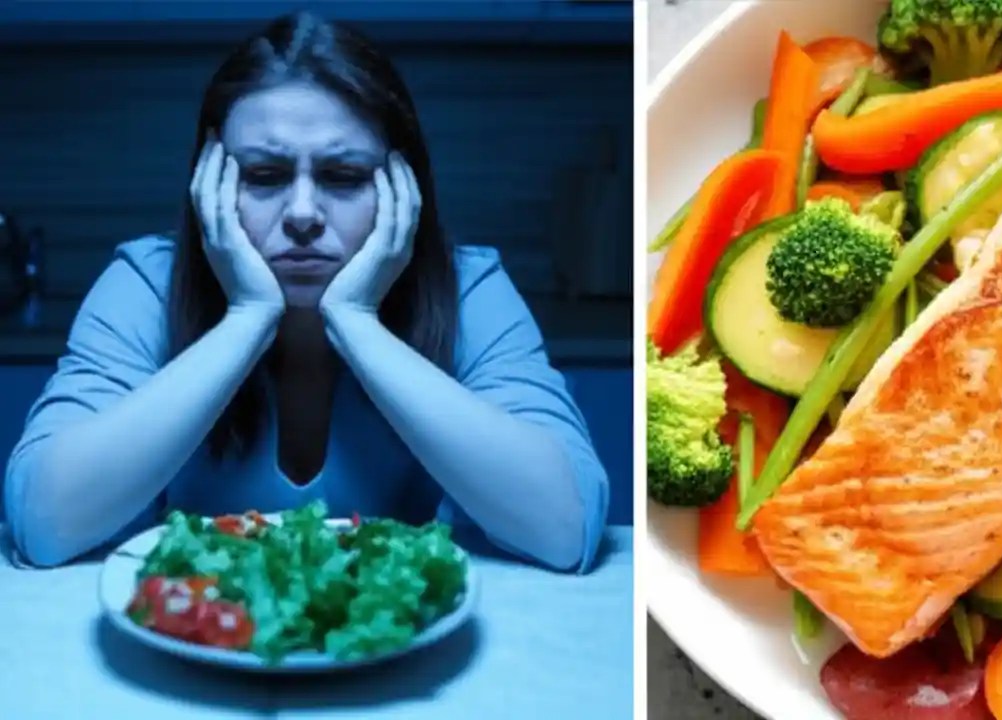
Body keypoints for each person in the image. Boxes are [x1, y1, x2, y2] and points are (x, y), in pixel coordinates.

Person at [1, 12, 608, 572]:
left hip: (396, 654)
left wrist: (356, 320)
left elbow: (565, 528)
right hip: (198, 647)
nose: (302, 213)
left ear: (403, 189)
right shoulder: (145, 285)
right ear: (209, 183)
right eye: (263, 176)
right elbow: (44, 524)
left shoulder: (469, 289)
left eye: (343, 177)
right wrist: (247, 316)